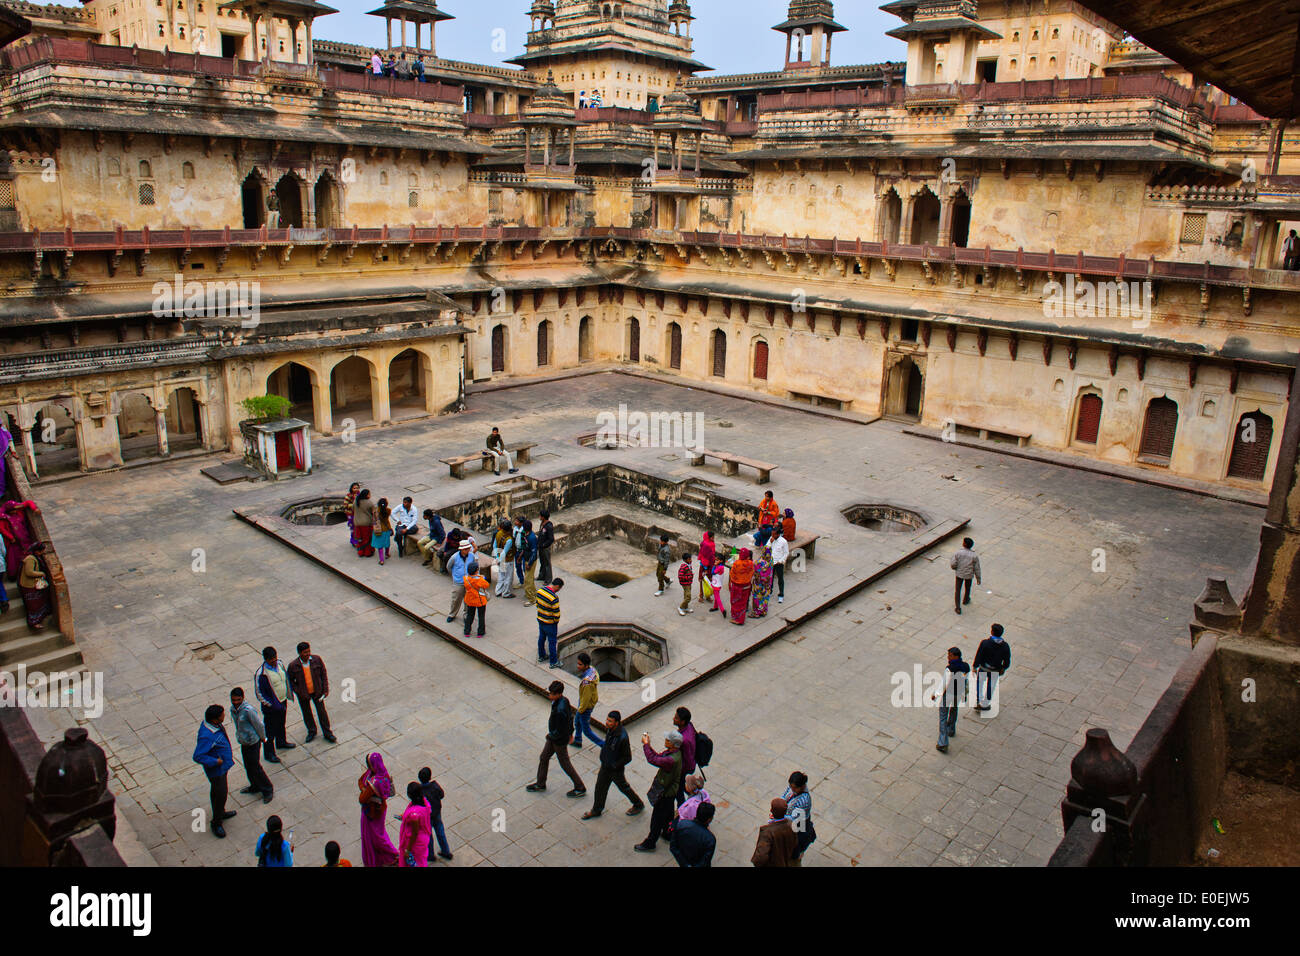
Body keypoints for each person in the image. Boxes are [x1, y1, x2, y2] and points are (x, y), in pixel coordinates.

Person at [526, 680, 586, 796]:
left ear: (559, 694)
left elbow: (560, 729)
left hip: (558, 740)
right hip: (555, 737)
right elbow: (570, 719)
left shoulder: (560, 709)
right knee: (544, 757)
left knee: (564, 763)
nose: (550, 695)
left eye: (552, 694)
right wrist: (570, 733)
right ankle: (540, 783)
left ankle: (580, 787)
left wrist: (552, 736)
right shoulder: (562, 701)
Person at [582, 710, 644, 819]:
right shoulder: (610, 730)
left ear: (617, 722)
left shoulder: (622, 737)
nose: (607, 722)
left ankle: (638, 804)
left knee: (624, 787)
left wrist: (615, 765)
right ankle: (597, 809)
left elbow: (627, 757)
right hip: (605, 766)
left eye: (610, 721)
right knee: (600, 788)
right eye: (607, 720)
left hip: (615, 770)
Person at [634, 729, 683, 853]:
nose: (665, 740)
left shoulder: (671, 759)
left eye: (667, 740)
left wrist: (645, 745)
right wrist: (648, 745)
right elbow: (657, 757)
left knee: (657, 818)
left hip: (665, 792)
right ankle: (667, 833)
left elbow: (653, 760)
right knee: (667, 814)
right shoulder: (674, 754)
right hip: (670, 791)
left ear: (673, 744)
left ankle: (650, 842)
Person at [194, 704, 236, 838]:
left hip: (222, 768)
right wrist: (215, 762)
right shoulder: (207, 736)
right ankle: (216, 822)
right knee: (220, 793)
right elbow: (198, 756)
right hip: (217, 771)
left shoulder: (215, 726)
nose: (225, 716)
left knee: (219, 792)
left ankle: (221, 812)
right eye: (222, 715)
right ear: (215, 719)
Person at [229, 687, 273, 804]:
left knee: (256, 767)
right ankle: (255, 785)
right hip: (244, 742)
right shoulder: (233, 710)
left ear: (243, 698)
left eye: (238, 700)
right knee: (248, 766)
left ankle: (267, 789)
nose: (236, 702)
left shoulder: (248, 711)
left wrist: (263, 738)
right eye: (233, 700)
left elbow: (259, 725)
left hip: (253, 741)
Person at [286, 642, 335, 744]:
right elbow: (290, 681)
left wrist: (325, 690)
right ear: (299, 653)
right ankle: (312, 731)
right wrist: (299, 692)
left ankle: (327, 732)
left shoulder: (316, 660)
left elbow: (323, 674)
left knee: (322, 712)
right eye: (305, 652)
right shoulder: (293, 666)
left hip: (317, 692)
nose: (307, 654)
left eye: (309, 651)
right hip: (304, 694)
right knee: (307, 713)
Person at [358, 753, 400, 866]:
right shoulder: (383, 773)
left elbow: (362, 799)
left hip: (372, 812)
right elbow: (360, 780)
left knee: (377, 836)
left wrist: (363, 789)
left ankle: (393, 854)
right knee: (379, 833)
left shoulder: (374, 782)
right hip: (381, 808)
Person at [254, 646, 295, 762]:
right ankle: (269, 753)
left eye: (275, 658)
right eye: (271, 659)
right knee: (270, 730)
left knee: (281, 723)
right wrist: (271, 704)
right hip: (271, 707)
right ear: (265, 659)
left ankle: (281, 742)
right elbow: (259, 694)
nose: (274, 661)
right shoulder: (261, 674)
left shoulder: (280, 664)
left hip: (282, 701)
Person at [934, 646, 970, 754]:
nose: (948, 657)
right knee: (954, 710)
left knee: (943, 715)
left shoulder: (949, 669)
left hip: (949, 694)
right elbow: (966, 681)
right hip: (958, 694)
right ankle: (951, 729)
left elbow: (944, 683)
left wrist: (936, 694)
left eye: (949, 655)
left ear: (955, 656)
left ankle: (943, 742)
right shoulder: (966, 667)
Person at [972, 623, 1010, 712]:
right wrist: (1003, 668)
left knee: (980, 683)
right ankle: (985, 704)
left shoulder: (985, 643)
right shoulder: (1005, 646)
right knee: (991, 686)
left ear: (992, 632)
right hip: (995, 670)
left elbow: (979, 655)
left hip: (983, 668)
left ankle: (979, 700)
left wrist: (975, 666)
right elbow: (1007, 660)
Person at [417, 767, 453, 861]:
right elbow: (441, 795)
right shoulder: (435, 786)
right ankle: (446, 851)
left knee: (428, 835)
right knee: (440, 832)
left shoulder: (419, 791)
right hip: (436, 813)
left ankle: (430, 855)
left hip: (427, 817)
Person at [752, 797, 798, 867]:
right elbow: (795, 842)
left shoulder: (767, 833)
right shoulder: (792, 825)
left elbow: (761, 856)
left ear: (771, 810)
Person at [18, 541, 53, 631]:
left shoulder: (35, 557)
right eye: (41, 551)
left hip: (32, 584)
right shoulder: (30, 559)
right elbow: (29, 572)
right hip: (28, 585)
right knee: (33, 604)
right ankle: (34, 621)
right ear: (36, 551)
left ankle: (39, 617)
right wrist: (40, 573)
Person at [670, 800, 716, 867]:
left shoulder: (682, 824)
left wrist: (684, 864)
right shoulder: (710, 839)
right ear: (709, 819)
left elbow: (673, 847)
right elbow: (704, 862)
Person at [784, 771, 815, 865]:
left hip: (798, 829)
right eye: (791, 786)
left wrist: (779, 815)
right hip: (790, 825)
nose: (792, 789)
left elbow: (793, 819)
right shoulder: (791, 789)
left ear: (801, 787)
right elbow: (783, 796)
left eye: (794, 788)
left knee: (794, 856)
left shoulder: (804, 801)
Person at [571, 653, 602, 748]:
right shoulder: (592, 670)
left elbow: (585, 699)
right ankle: (578, 739)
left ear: (586, 665)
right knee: (577, 722)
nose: (578, 666)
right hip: (586, 704)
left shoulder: (587, 682)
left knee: (587, 731)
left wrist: (580, 710)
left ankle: (604, 745)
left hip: (585, 707)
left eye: (580, 664)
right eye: (578, 663)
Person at [398, 782, 432, 867]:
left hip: (416, 843)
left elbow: (415, 833)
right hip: (423, 838)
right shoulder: (423, 801)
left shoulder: (414, 814)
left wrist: (408, 850)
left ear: (409, 795)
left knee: (417, 863)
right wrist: (405, 817)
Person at [535, 578, 564, 668]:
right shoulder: (554, 598)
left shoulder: (540, 591)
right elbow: (556, 613)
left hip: (540, 619)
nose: (558, 590)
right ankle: (553, 662)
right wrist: (555, 621)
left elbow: (537, 604)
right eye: (559, 588)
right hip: (550, 623)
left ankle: (541, 656)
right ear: (557, 586)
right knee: (552, 642)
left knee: (541, 638)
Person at [444, 538, 474, 623]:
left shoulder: (471, 556)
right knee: (456, 599)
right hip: (458, 582)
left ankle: (466, 615)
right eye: (466, 549)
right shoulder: (454, 557)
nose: (468, 550)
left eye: (468, 549)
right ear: (461, 549)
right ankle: (452, 614)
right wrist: (455, 576)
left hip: (468, 581)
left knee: (467, 600)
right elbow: (449, 567)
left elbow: (475, 566)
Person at [672, 706, 697, 805]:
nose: (673, 718)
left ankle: (682, 808)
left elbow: (686, 759)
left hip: (685, 768)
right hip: (690, 765)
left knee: (679, 790)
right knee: (683, 787)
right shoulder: (689, 726)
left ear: (682, 722)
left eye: (676, 718)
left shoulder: (684, 740)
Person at [951, 537, 981, 614]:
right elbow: (977, 568)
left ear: (964, 544)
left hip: (959, 574)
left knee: (958, 590)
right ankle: (966, 599)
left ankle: (958, 607)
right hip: (969, 575)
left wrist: (955, 568)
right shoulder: (974, 556)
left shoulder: (958, 553)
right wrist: (978, 578)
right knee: (967, 587)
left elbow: (953, 563)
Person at [728, 547, 756, 625]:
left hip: (737, 587)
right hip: (746, 587)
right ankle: (741, 618)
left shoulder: (736, 563)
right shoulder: (750, 563)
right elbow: (752, 572)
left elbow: (732, 574)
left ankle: (736, 619)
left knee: (735, 603)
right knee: (743, 603)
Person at [462, 561, 488, 638]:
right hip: (480, 601)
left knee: (469, 615)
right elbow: (486, 585)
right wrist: (482, 577)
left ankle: (467, 631)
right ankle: (480, 632)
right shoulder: (480, 580)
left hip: (470, 600)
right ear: (476, 570)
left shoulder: (466, 579)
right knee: (481, 616)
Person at [493, 519, 515, 598]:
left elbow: (494, 546)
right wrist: (500, 559)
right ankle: (506, 593)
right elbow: (504, 552)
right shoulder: (509, 540)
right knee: (508, 577)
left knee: (501, 575)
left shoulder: (498, 533)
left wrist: (497, 558)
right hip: (507, 560)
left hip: (500, 558)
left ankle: (498, 591)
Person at [751, 544, 774, 618]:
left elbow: (756, 572)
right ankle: (764, 611)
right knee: (765, 597)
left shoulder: (760, 562)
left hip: (759, 584)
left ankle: (757, 612)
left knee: (758, 597)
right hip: (767, 583)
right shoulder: (771, 560)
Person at [351, 489, 375, 557]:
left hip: (357, 523)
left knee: (359, 539)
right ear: (366, 495)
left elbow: (352, 510)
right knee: (367, 539)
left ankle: (360, 552)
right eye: (369, 494)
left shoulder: (356, 501)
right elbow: (374, 512)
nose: (370, 495)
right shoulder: (369, 503)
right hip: (366, 524)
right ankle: (367, 552)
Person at [521, 519, 539, 605]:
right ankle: (534, 593)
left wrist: (530, 563)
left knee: (527, 581)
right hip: (526, 559)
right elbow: (525, 548)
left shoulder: (532, 538)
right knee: (530, 578)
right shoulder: (526, 535)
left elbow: (534, 552)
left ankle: (532, 599)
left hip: (530, 561)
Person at [372, 498, 393, 565]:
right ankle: (387, 554)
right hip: (386, 529)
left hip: (378, 529)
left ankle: (381, 560)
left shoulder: (375, 510)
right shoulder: (388, 510)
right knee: (387, 543)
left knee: (380, 546)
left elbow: (374, 519)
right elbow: (387, 520)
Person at [771, 527, 789, 604]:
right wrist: (770, 542)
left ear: (778, 534)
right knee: (770, 577)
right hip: (771, 562)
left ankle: (781, 595)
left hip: (779, 563)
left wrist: (781, 561)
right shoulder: (771, 539)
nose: (772, 536)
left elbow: (786, 553)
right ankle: (770, 591)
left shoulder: (783, 542)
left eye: (773, 534)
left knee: (780, 579)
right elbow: (767, 548)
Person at [537, 510, 555, 584]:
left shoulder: (549, 526)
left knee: (547, 563)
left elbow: (551, 539)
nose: (539, 517)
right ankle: (542, 576)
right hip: (541, 547)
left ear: (543, 517)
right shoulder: (542, 524)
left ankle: (548, 579)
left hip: (545, 548)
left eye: (540, 516)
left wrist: (544, 545)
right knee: (542, 562)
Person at [697, 531, 716, 602]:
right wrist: (705, 567)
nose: (713, 538)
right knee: (702, 580)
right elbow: (705, 557)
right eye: (712, 537)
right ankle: (701, 595)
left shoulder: (712, 544)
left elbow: (712, 555)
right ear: (709, 537)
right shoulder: (705, 544)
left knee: (708, 580)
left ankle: (707, 595)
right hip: (704, 566)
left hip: (710, 565)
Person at [677, 550, 694, 615]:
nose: (691, 560)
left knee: (686, 595)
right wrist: (689, 577)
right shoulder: (683, 566)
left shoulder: (689, 565)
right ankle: (681, 607)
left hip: (689, 583)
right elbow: (680, 576)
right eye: (689, 559)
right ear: (685, 560)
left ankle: (685, 607)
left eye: (690, 559)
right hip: (685, 584)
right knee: (688, 597)